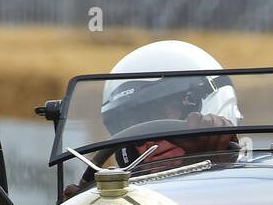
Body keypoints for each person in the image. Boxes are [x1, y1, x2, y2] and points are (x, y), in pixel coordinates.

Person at [97, 40, 242, 171]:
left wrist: (221, 161)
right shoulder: (121, 196)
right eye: (134, 124)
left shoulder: (253, 185)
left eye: (161, 115)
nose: (150, 140)